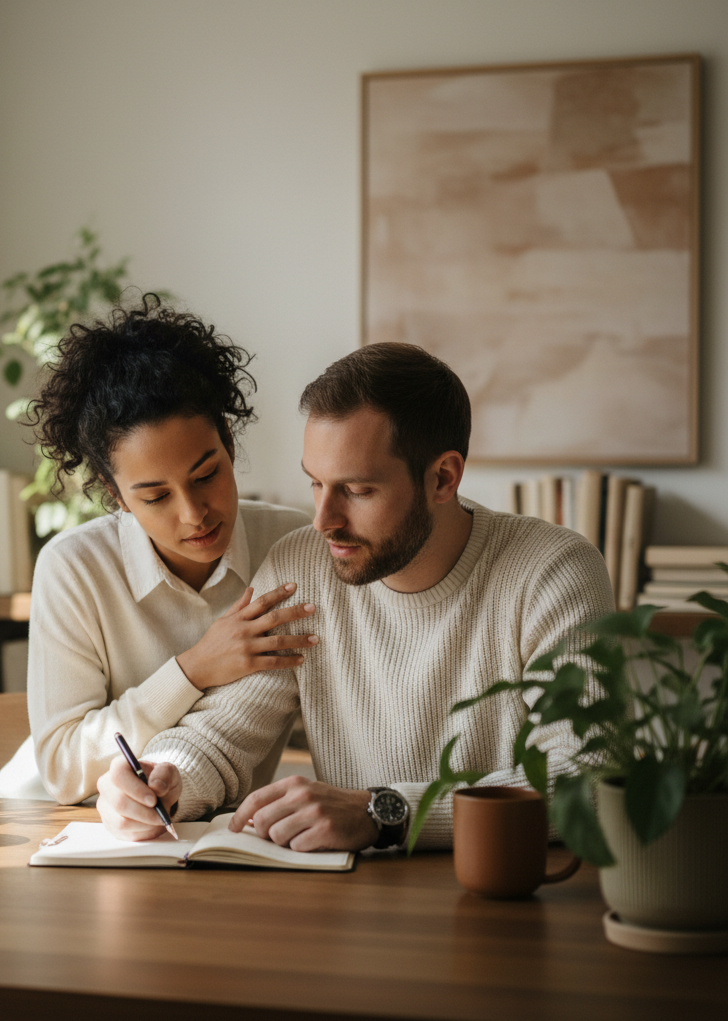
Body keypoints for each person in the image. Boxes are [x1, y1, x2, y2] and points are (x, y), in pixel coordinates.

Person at [96, 342, 615, 850]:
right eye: (316, 484)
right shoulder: (303, 565)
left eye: (358, 491)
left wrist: (384, 811)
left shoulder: (552, 571)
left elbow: (590, 775)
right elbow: (225, 732)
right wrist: (165, 780)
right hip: (349, 903)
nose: (324, 521)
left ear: (443, 477)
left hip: (507, 894)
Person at [0, 295, 313, 804]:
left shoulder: (295, 546)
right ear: (115, 493)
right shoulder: (74, 567)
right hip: (59, 824)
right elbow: (61, 766)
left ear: (229, 441)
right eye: (156, 496)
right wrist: (193, 670)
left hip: (211, 825)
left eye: (206, 474)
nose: (194, 513)